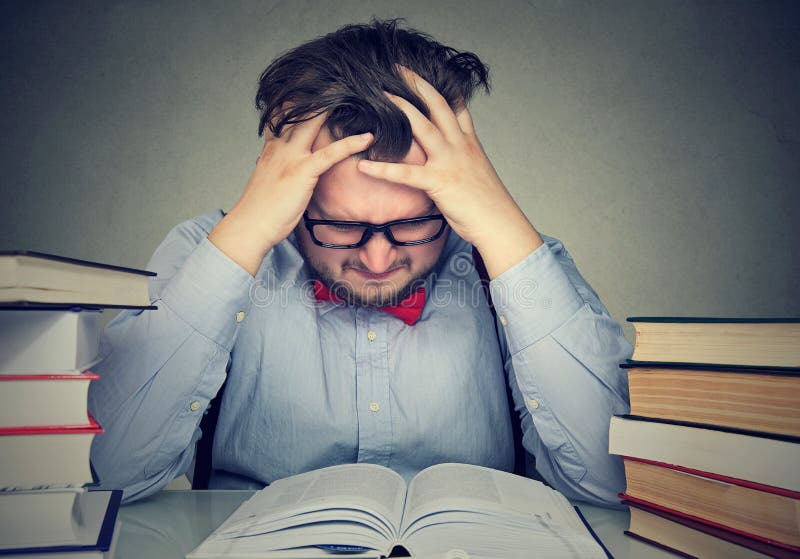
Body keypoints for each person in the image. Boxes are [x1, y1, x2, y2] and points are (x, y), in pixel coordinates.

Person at [88, 19, 632, 505]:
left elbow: (610, 482)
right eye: (342, 226)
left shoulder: (515, 258)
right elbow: (113, 474)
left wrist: (503, 227)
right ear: (295, 196)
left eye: (412, 224)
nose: (376, 258)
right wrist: (247, 232)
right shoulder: (211, 249)